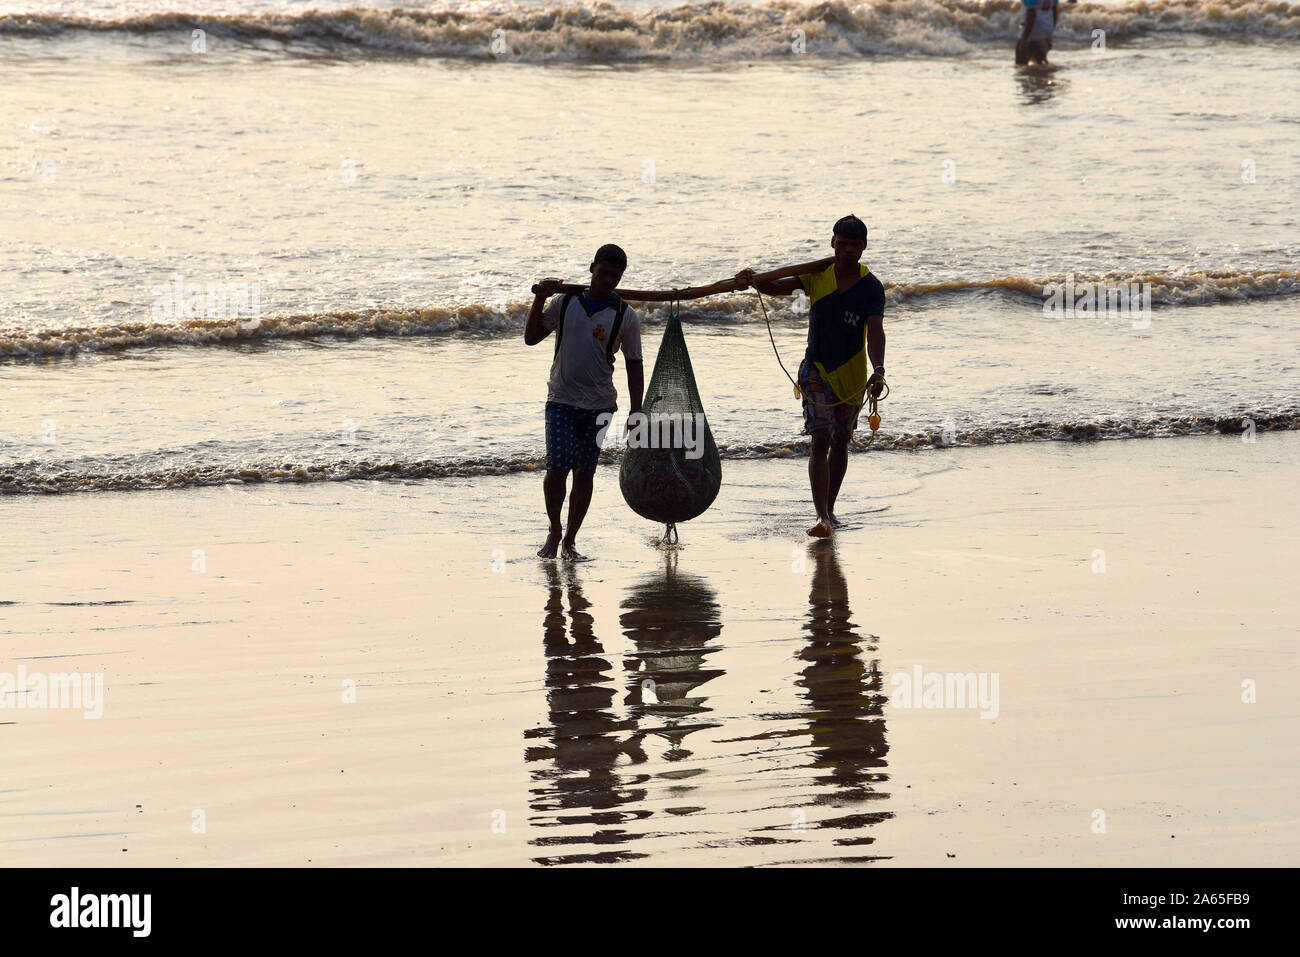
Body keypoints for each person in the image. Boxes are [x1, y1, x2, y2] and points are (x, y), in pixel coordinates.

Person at [736, 216, 886, 538]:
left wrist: (879, 369)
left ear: (863, 247)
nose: (846, 250)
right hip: (815, 369)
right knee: (820, 437)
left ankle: (830, 509)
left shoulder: (871, 287)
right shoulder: (818, 276)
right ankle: (821, 516)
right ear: (832, 243)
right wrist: (752, 280)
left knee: (840, 441)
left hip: (852, 376)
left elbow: (875, 331)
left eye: (853, 245)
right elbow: (777, 287)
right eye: (841, 243)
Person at [526, 244, 644, 560]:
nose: (607, 280)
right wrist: (540, 298)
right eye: (603, 272)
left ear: (620, 278)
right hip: (561, 400)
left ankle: (571, 539)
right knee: (557, 468)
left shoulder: (625, 315)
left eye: (614, 276)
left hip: (600, 405)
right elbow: (531, 337)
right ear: (592, 268)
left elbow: (634, 362)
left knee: (584, 472)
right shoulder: (565, 303)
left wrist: (637, 410)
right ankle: (554, 529)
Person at [1016, 0, 1063, 66]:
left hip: (1032, 30)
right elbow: (1054, 10)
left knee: (1020, 64)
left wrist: (1024, 40)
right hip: (1047, 27)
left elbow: (1031, 13)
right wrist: (1050, 31)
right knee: (1039, 64)